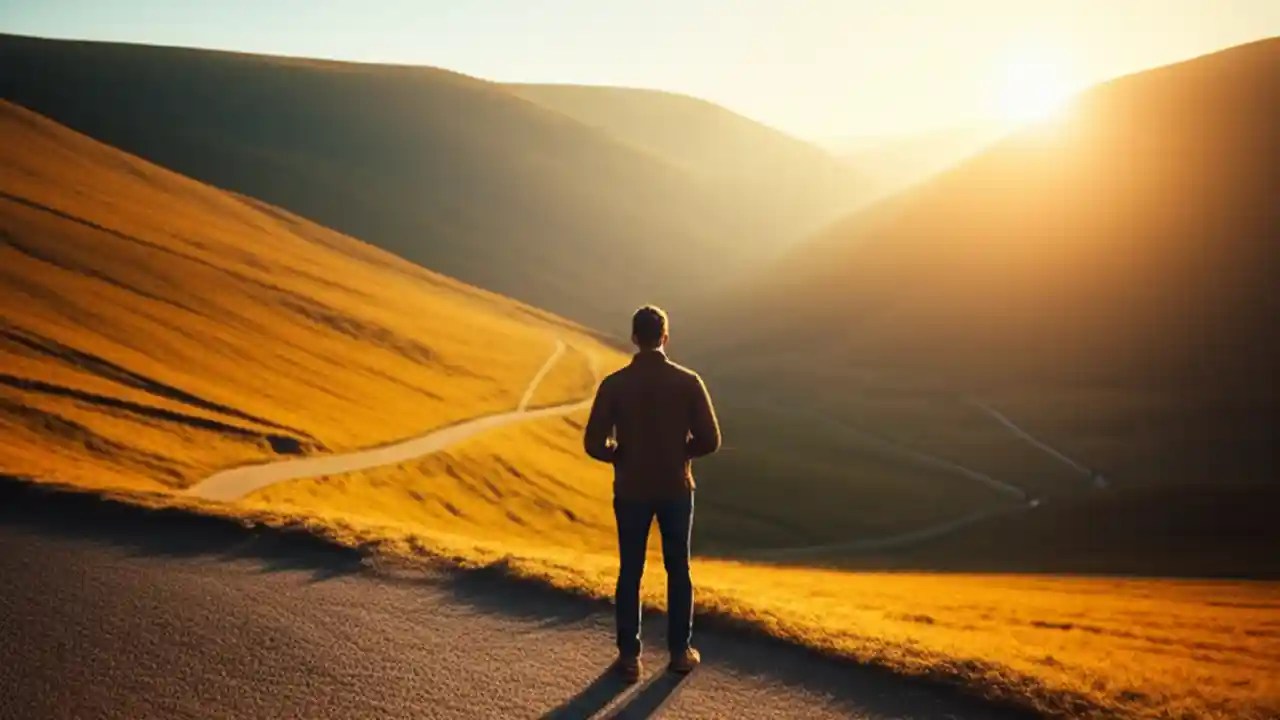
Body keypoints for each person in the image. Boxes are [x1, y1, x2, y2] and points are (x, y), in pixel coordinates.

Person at [583, 305, 721, 682]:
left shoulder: (615, 384)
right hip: (676, 487)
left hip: (631, 488)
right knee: (678, 568)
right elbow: (711, 440)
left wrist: (619, 455)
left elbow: (593, 443)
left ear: (634, 338)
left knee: (631, 570)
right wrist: (680, 452)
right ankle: (679, 652)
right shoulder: (688, 381)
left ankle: (629, 658)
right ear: (665, 337)